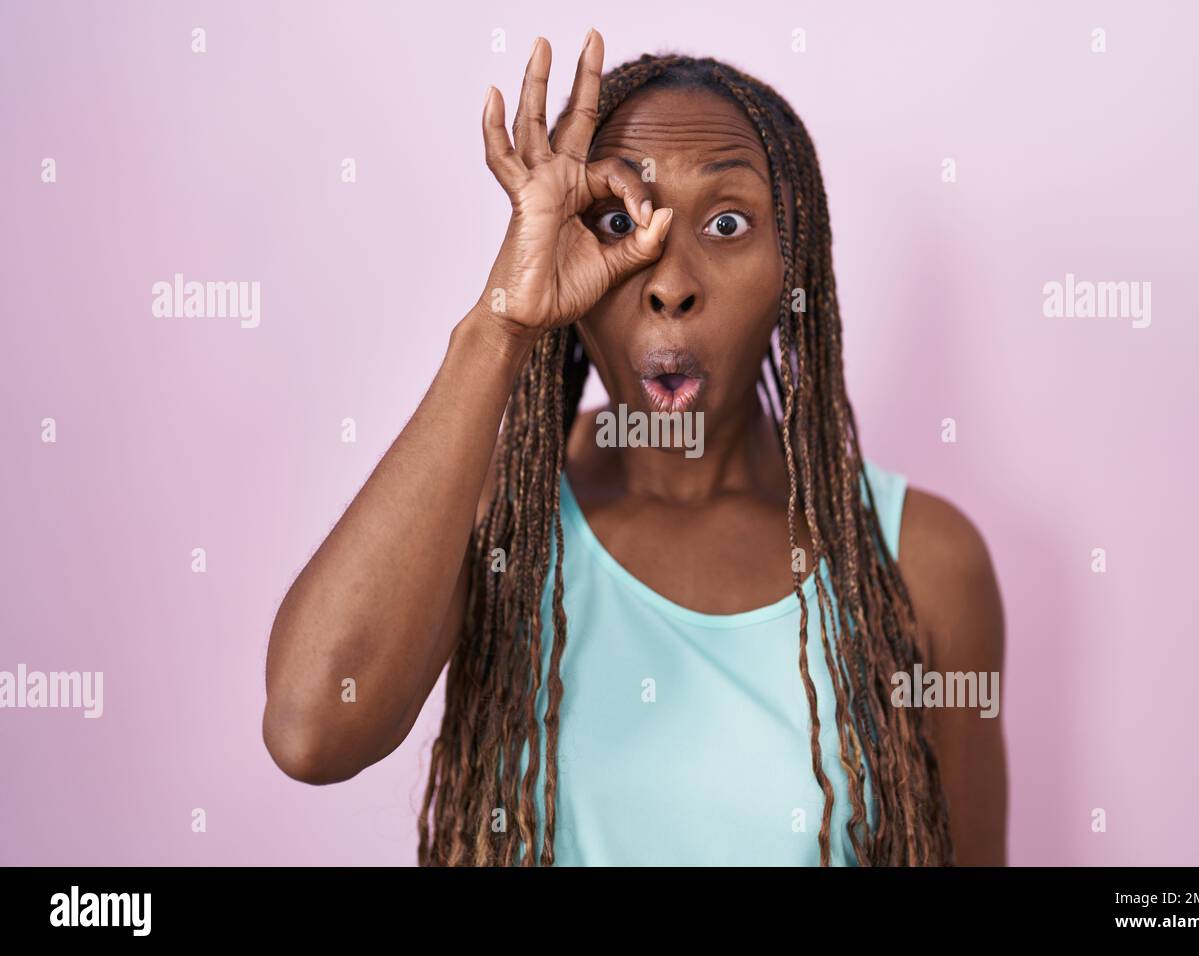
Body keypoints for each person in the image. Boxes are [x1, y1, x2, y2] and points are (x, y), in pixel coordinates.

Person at [263, 28, 1007, 867]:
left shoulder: (924, 563)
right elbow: (310, 731)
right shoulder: (495, 513)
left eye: (727, 223)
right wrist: (500, 324)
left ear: (791, 270)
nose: (670, 281)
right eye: (619, 220)